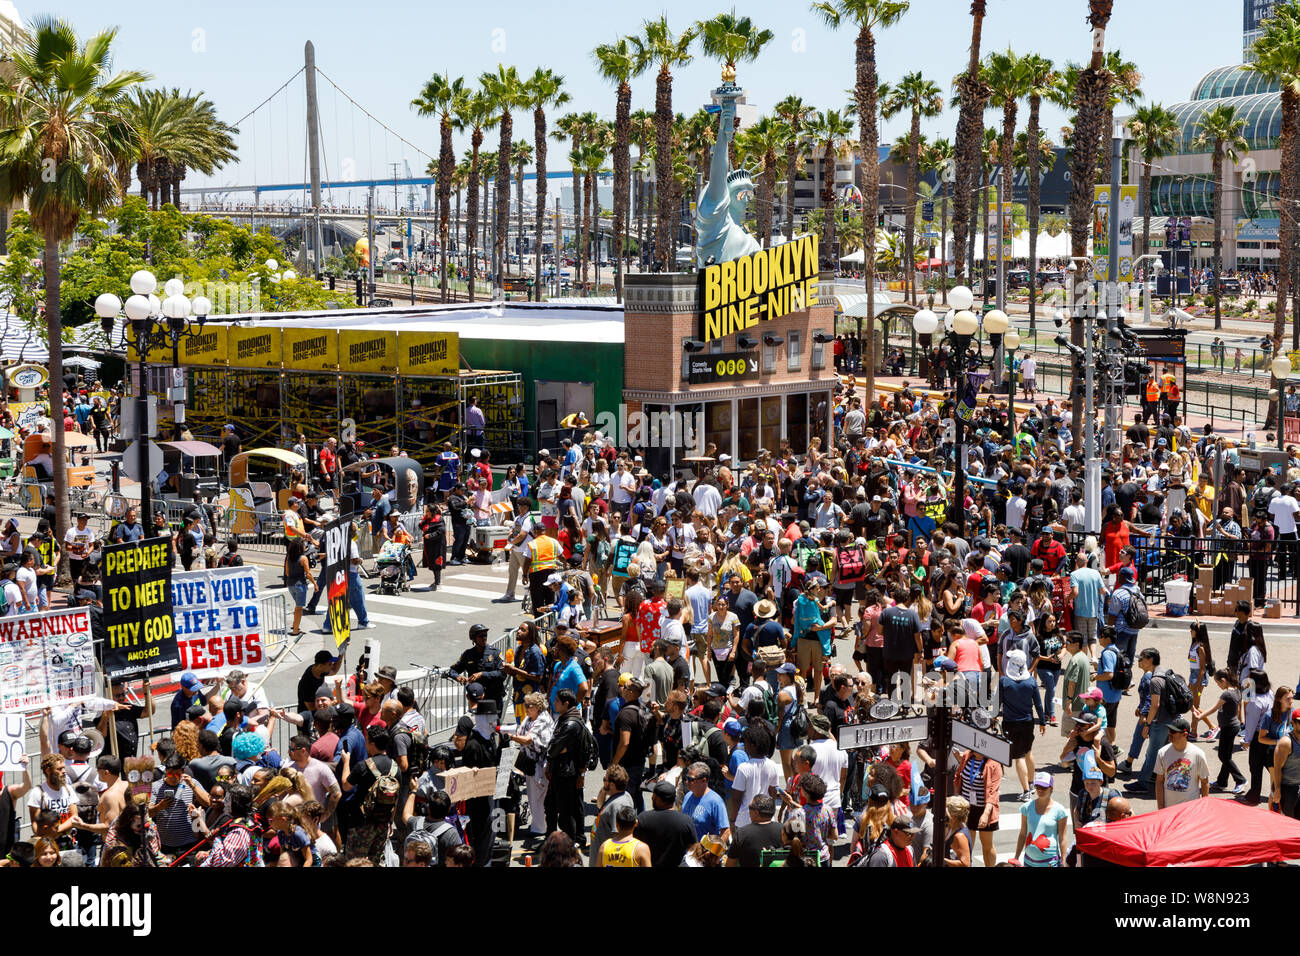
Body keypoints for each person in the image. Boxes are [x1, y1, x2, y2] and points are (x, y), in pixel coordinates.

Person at [1194, 669, 1246, 794]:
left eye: (1218, 683)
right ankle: (1222, 782)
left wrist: (1200, 717)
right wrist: (1241, 721)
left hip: (1229, 727)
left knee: (1223, 756)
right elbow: (1240, 708)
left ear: (1223, 680)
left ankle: (1240, 780)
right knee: (1226, 756)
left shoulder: (1227, 694)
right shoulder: (1237, 691)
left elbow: (1215, 708)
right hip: (1232, 726)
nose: (1219, 686)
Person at [635, 780, 696, 867]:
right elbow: (693, 849)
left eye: (654, 795)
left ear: (658, 799)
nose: (652, 797)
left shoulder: (643, 819)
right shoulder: (685, 821)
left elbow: (633, 846)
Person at [1155, 716, 1210, 809]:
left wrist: (1203, 808)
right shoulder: (1162, 753)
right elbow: (1159, 782)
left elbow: (1204, 782)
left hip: (1190, 810)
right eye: (1169, 731)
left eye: (1173, 732)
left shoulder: (1198, 754)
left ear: (1185, 734)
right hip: (1169, 809)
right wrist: (1160, 808)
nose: (1169, 734)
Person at [1016, 771, 1068, 868]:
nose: (1040, 790)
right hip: (1028, 861)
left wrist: (1064, 860)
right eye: (1037, 787)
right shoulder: (1026, 807)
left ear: (1051, 788)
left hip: (1049, 863)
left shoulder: (1060, 811)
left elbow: (1062, 838)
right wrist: (1016, 857)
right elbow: (1023, 833)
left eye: (1043, 788)